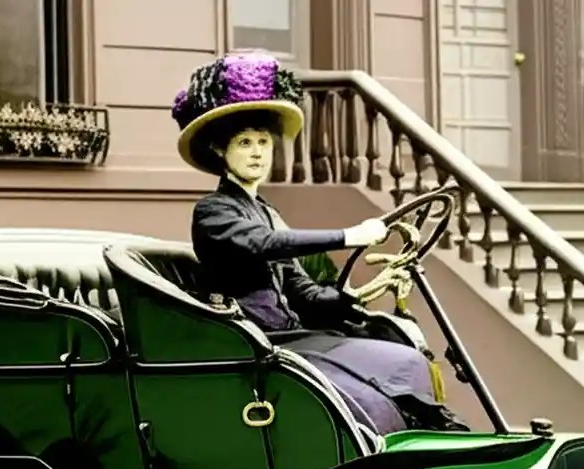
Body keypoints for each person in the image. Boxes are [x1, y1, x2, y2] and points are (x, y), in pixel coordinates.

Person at [170, 51, 467, 434]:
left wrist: (359, 294)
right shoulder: (213, 211)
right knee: (372, 393)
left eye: (263, 142)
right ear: (219, 151)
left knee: (403, 355)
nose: (257, 152)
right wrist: (351, 236)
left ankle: (435, 432)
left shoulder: (265, 210)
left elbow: (304, 293)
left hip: (295, 335)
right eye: (244, 143)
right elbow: (264, 244)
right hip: (256, 347)